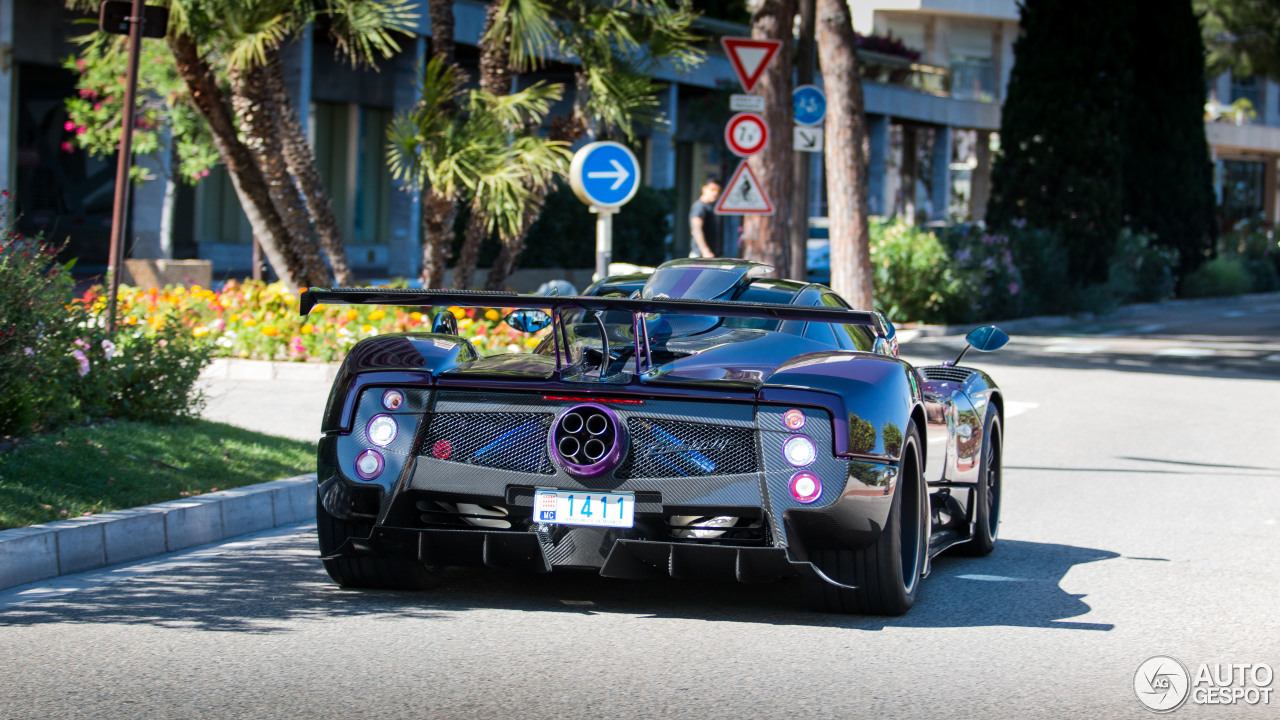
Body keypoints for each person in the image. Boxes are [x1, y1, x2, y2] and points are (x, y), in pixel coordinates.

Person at [688, 176, 723, 258]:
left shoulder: (713, 207)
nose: (715, 193)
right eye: (712, 189)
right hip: (700, 256)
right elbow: (696, 230)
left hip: (712, 255)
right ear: (704, 189)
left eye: (718, 191)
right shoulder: (699, 207)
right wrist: (705, 251)